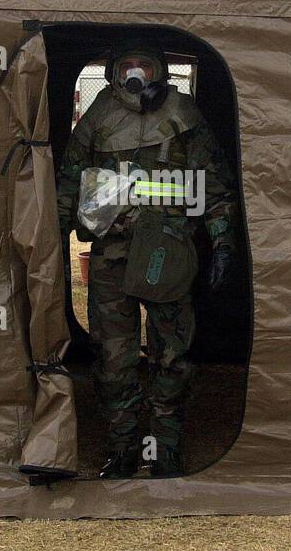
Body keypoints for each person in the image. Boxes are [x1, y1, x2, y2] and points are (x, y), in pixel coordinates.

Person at [56, 37, 237, 479]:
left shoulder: (184, 115)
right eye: (127, 64)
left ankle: (163, 446)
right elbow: (69, 180)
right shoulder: (97, 117)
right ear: (115, 71)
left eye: (144, 64)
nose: (134, 72)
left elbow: (214, 183)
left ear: (158, 71)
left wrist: (223, 239)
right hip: (111, 256)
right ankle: (120, 448)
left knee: (170, 352)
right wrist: (52, 238)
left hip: (166, 254)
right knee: (112, 356)